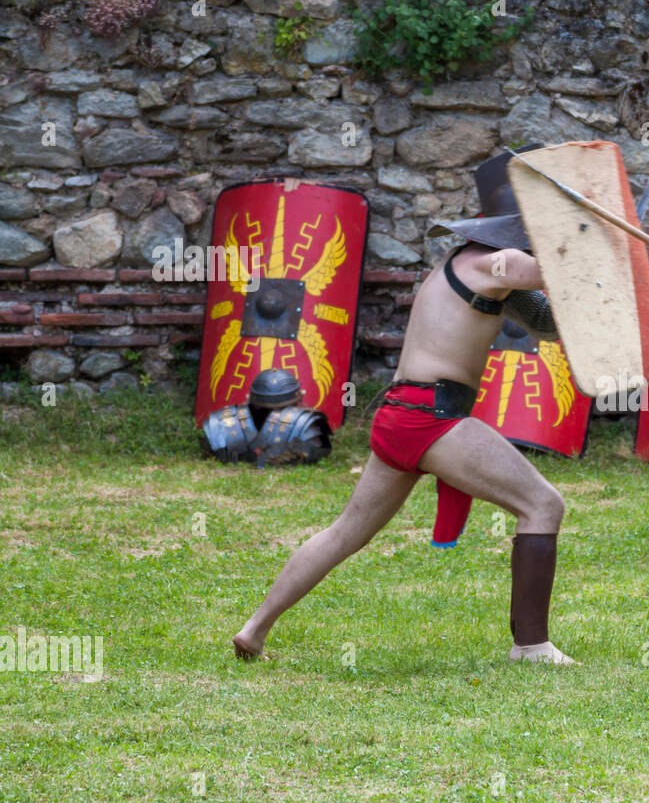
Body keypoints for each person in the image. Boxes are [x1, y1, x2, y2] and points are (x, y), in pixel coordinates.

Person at [232, 148, 577, 666]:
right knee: (543, 505)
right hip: (430, 418)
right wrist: (589, 245)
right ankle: (531, 647)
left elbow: (548, 322)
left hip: (402, 414)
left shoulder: (464, 270)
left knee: (346, 531)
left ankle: (254, 630)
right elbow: (535, 269)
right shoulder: (491, 263)